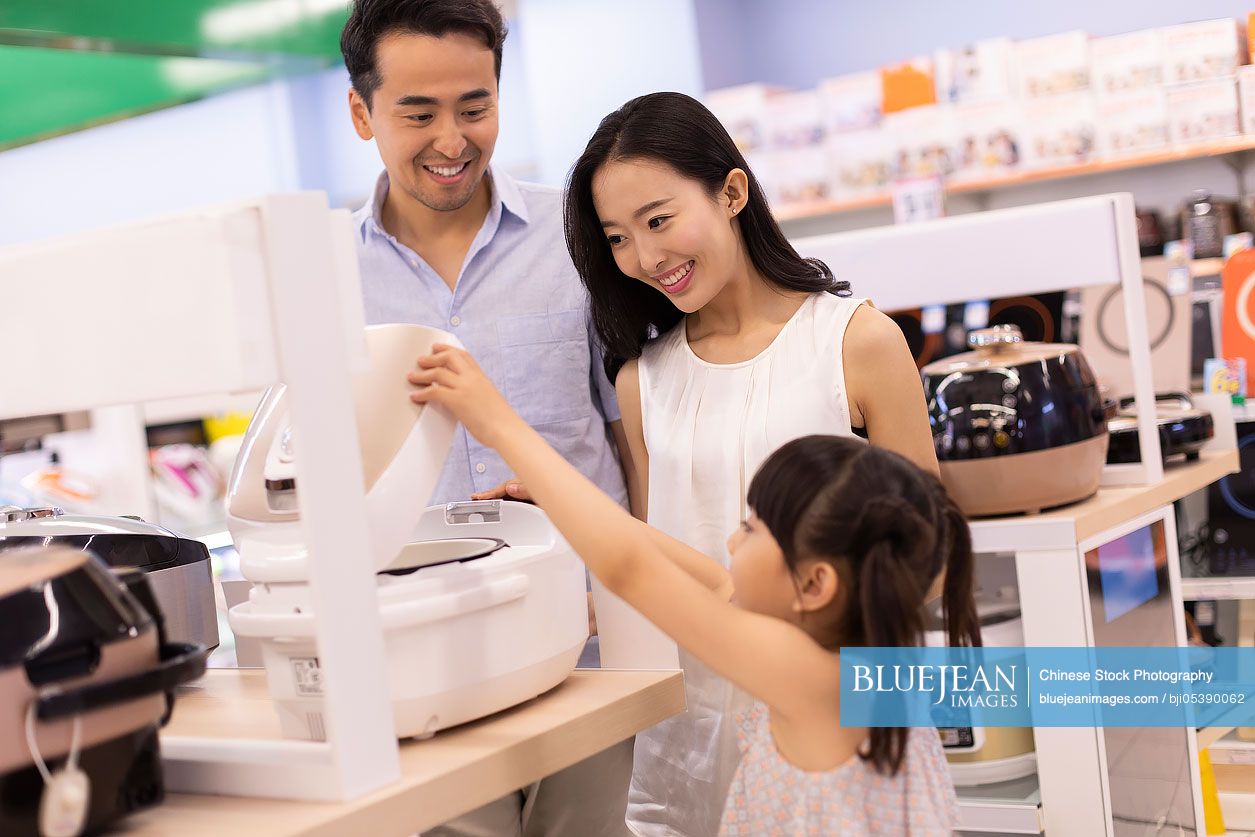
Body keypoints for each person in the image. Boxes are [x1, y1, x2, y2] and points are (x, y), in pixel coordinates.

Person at [559, 91, 941, 835]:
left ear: (731, 192)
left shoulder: (856, 343)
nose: (644, 258)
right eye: (618, 238)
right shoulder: (642, 381)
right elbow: (653, 558)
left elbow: (927, 553)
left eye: (658, 220)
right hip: (686, 735)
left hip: (831, 725)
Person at [407, 348, 976, 835]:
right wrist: (571, 501)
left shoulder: (809, 676)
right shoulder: (870, 664)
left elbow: (630, 569)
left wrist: (497, 424)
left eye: (751, 528)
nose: (731, 539)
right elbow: (712, 578)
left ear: (814, 584)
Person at [339, 1, 633, 834]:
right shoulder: (324, 279)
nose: (452, 140)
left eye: (475, 107)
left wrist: (633, 604)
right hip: (423, 667)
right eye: (417, 114)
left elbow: (632, 436)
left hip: (590, 647)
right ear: (361, 112)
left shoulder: (579, 238)